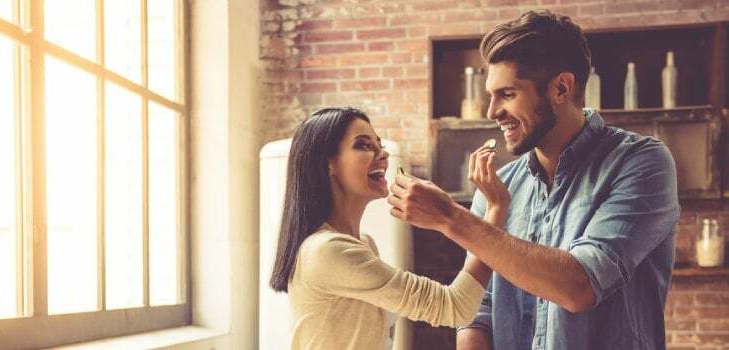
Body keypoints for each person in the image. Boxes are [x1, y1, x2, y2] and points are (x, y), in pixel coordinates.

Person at [388, 10, 680, 350]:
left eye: (507, 94)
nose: (492, 112)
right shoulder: (498, 188)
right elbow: (479, 309)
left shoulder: (641, 163)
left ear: (561, 88)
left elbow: (580, 285)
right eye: (491, 94)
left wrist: (451, 218)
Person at [269, 107, 510, 350]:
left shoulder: (362, 243)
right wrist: (495, 209)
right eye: (363, 145)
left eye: (379, 144)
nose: (382, 154)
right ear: (327, 164)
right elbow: (454, 308)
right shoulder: (327, 251)